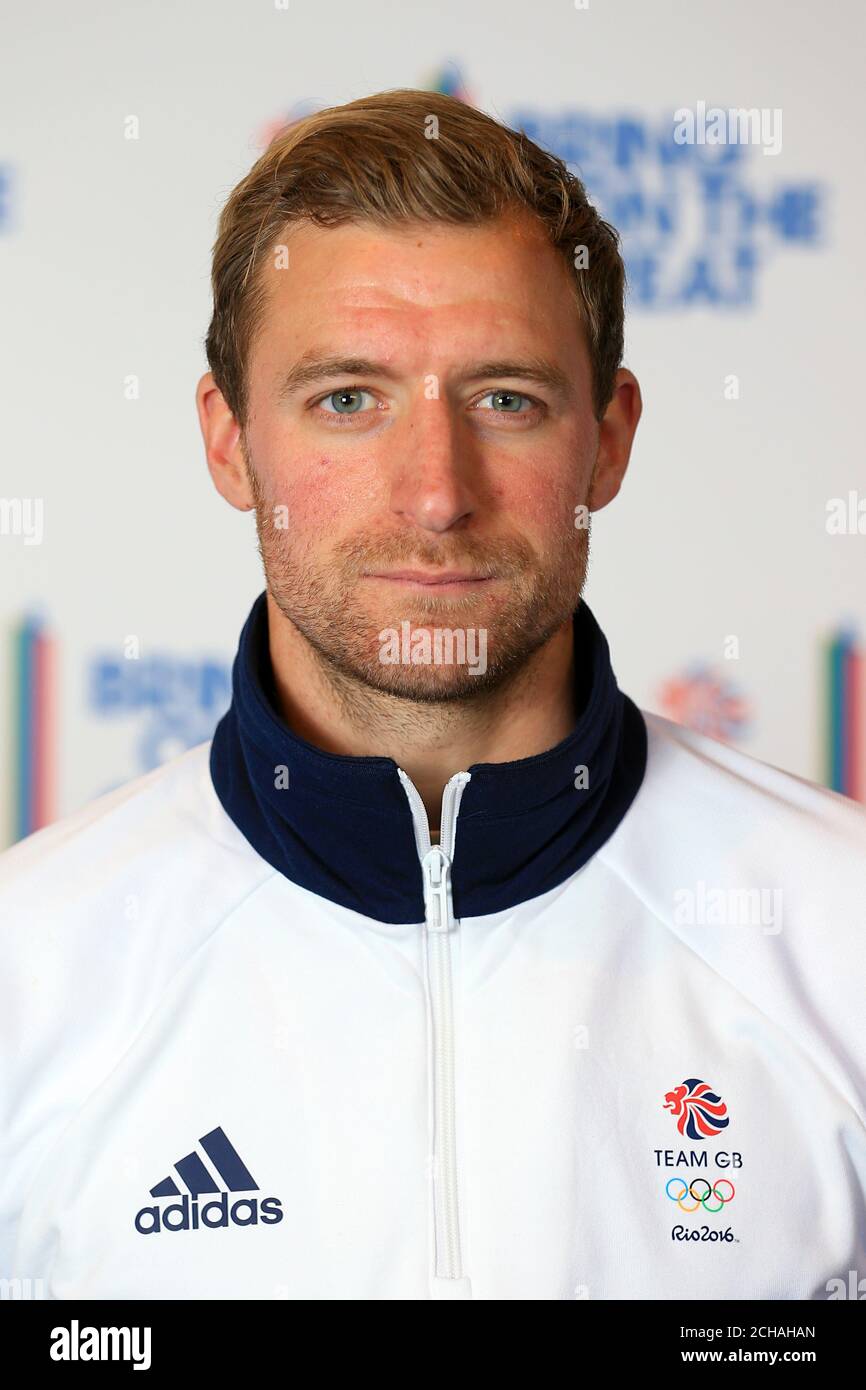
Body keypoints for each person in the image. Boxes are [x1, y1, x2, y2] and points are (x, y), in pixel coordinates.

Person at [1, 88, 864, 1302]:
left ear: (606, 441)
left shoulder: (839, 931)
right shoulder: (27, 970)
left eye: (504, 398)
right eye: (346, 399)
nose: (432, 494)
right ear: (229, 442)